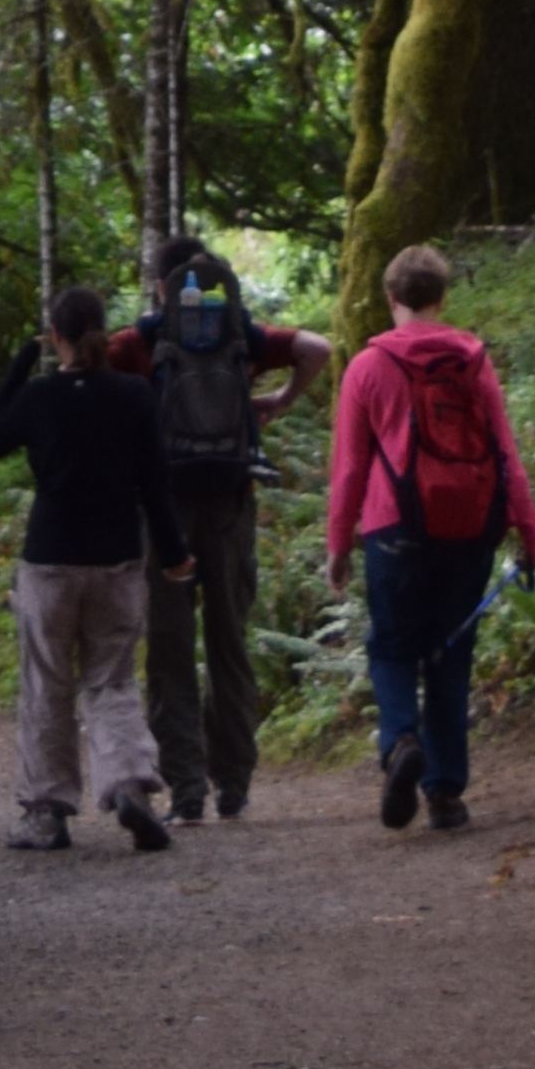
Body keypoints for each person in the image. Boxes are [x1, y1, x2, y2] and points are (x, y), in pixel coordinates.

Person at [107, 230, 330, 825]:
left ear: (162, 286)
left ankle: (185, 789)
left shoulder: (139, 341)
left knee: (172, 649)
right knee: (230, 641)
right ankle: (233, 781)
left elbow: (92, 372)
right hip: (231, 503)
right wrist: (280, 397)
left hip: (165, 510)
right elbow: (319, 347)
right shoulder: (240, 337)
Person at [324, 239, 535, 836]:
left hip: (395, 528)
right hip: (472, 526)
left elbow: (348, 466)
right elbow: (505, 451)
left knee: (392, 646)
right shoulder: (473, 361)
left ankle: (400, 743)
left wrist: (339, 545)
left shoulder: (368, 367)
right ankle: (445, 795)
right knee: (450, 651)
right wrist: (531, 532)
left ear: (390, 298)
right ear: (443, 298)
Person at [0, 284, 193, 853]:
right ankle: (130, 789)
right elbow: (155, 482)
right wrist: (174, 554)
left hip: (50, 561)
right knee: (112, 679)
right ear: (103, 330)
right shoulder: (135, 395)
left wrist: (20, 364)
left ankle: (47, 812)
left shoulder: (41, 397)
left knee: (47, 685)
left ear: (57, 337)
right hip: (117, 557)